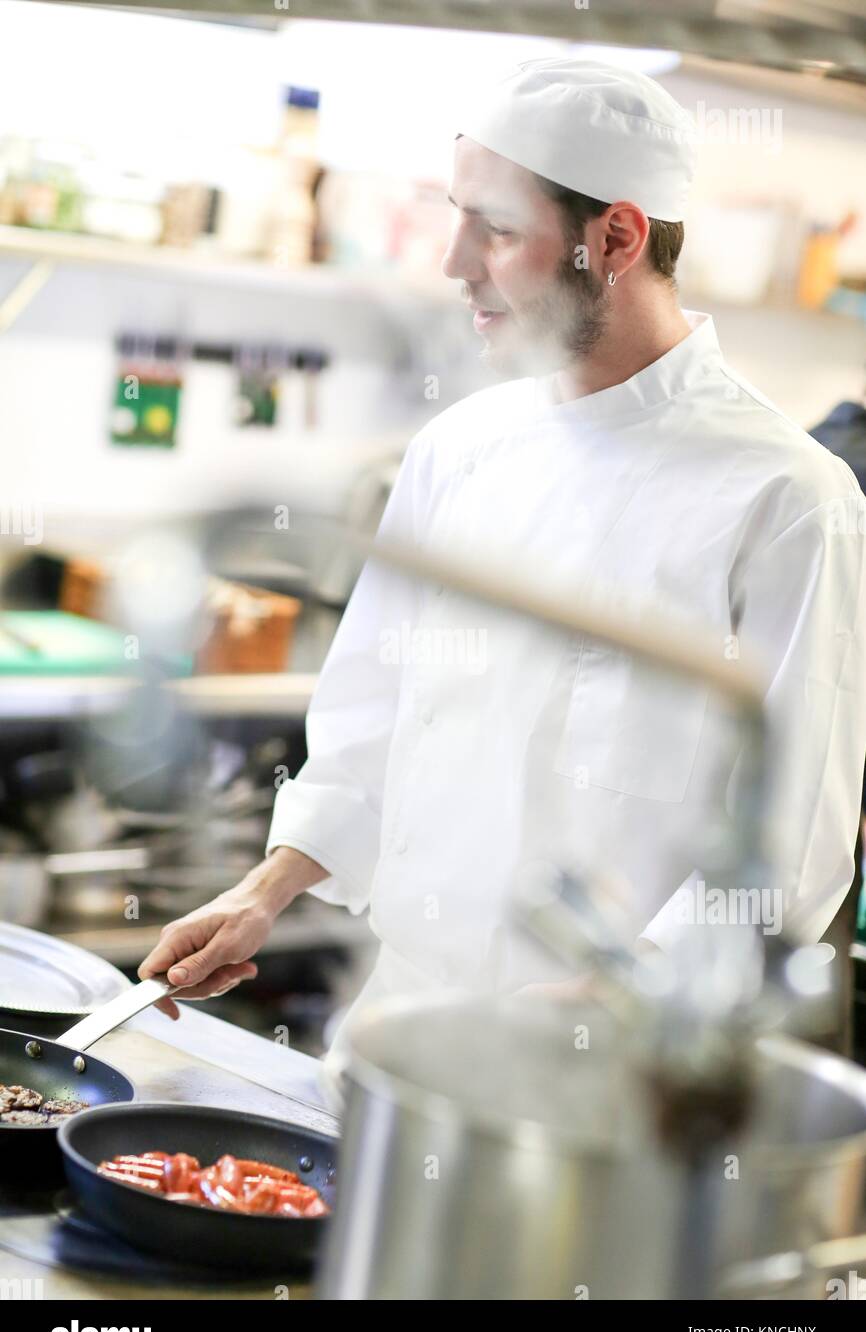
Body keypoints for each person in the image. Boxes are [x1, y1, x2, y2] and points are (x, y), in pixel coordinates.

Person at [138, 58, 866, 1098]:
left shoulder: (787, 499)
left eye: (494, 228)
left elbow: (785, 856)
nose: (450, 262)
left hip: (613, 1066)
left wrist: (611, 1001)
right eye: (453, 218)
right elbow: (371, 719)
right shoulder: (457, 447)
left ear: (613, 237)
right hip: (402, 1022)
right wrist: (264, 889)